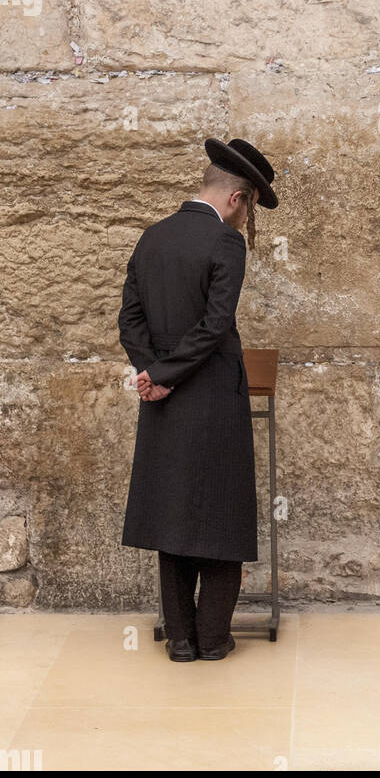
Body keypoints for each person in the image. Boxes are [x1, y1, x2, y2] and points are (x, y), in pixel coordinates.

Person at [118, 137, 279, 662]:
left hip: (164, 401)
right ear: (238, 198)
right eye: (250, 207)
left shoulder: (152, 237)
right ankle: (213, 638)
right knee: (223, 515)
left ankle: (182, 640)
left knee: (173, 515)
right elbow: (215, 327)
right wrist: (164, 373)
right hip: (211, 399)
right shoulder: (224, 243)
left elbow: (131, 320)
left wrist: (152, 374)